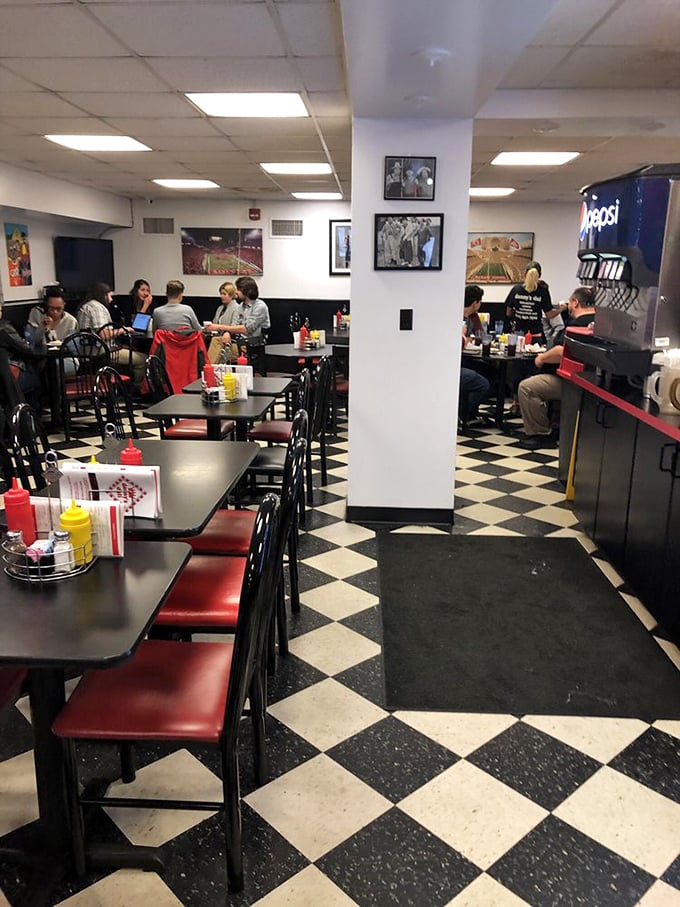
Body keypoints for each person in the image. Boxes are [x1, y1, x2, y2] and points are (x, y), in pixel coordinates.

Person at [516, 286, 596, 449]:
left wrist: (542, 358)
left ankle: (540, 434)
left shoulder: (576, 325)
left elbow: (561, 351)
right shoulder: (600, 323)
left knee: (527, 387)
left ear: (575, 302)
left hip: (570, 380)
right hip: (591, 379)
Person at [0, 300, 45, 406]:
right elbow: (26, 350)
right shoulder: (3, 329)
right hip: (8, 378)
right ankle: (33, 413)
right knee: (40, 373)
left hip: (5, 378)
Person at [504, 260, 561, 337]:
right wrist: (561, 309)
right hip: (536, 334)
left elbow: (508, 313)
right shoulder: (543, 291)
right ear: (540, 275)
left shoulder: (516, 289)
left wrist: (519, 312)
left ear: (525, 274)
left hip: (518, 333)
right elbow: (549, 315)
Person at [221, 277, 270, 346]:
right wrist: (227, 333)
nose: (236, 292)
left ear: (246, 291)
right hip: (238, 341)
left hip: (253, 345)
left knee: (218, 343)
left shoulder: (260, 307)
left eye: (238, 289)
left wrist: (219, 327)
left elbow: (246, 329)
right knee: (217, 340)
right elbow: (234, 325)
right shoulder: (240, 306)